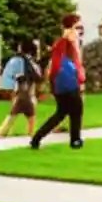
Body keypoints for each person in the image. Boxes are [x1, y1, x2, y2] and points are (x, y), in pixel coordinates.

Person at [30, 15, 86, 149]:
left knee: (62, 113)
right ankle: (75, 140)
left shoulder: (62, 43)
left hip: (61, 83)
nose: (79, 31)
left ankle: (37, 139)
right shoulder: (66, 41)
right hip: (68, 81)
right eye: (77, 27)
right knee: (76, 110)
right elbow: (73, 62)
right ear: (71, 27)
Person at [0, 41, 41, 138]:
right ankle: (30, 136)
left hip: (22, 93)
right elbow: (37, 77)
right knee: (28, 118)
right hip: (27, 94)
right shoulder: (31, 62)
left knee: (13, 117)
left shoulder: (20, 61)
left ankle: (0, 134)